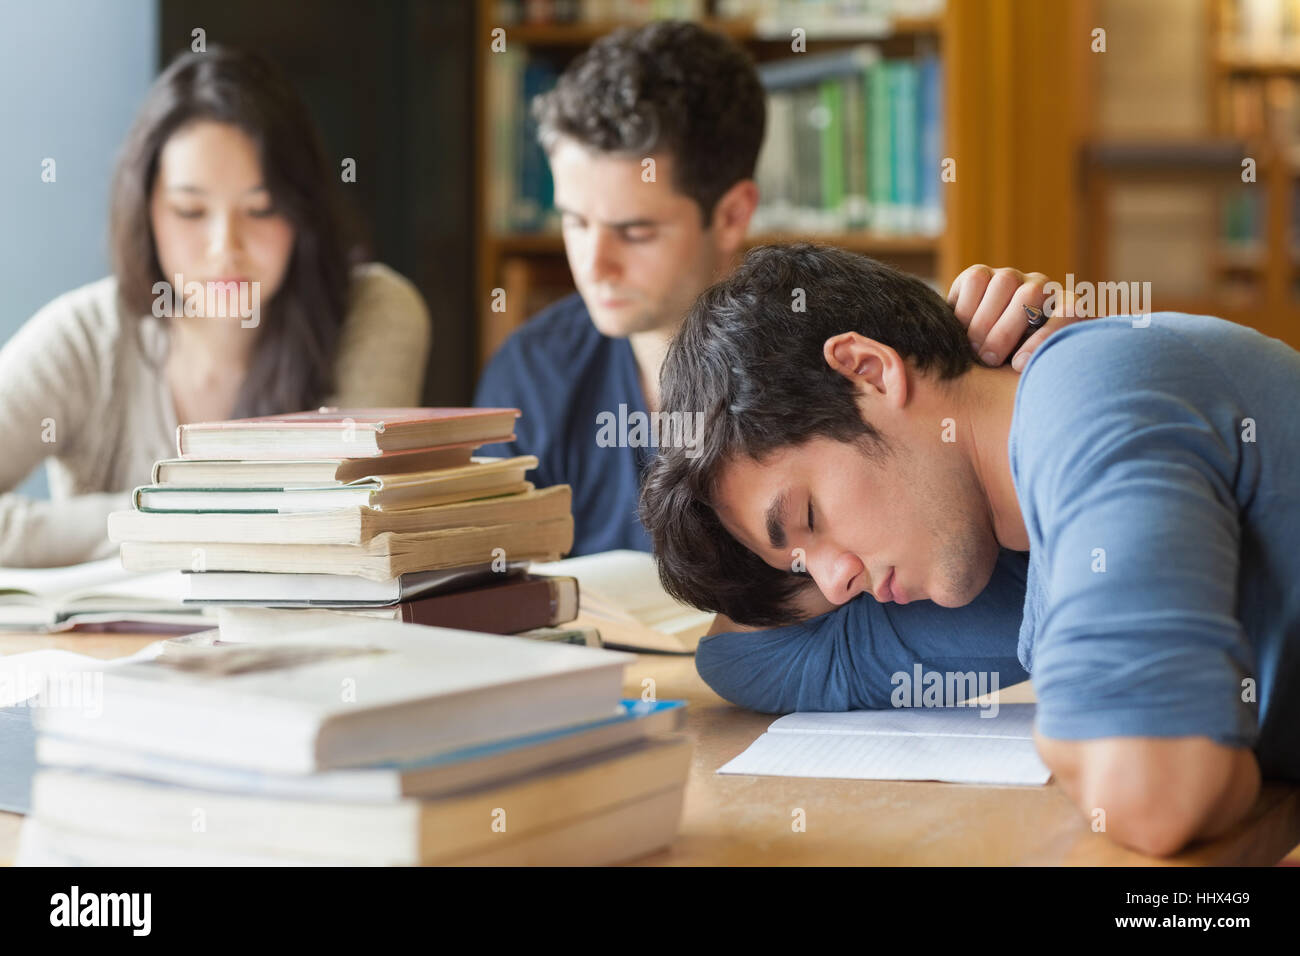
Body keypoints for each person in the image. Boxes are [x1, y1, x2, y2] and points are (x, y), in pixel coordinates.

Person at [639, 242, 1300, 857]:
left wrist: (1093, 728)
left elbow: (1157, 794)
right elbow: (742, 658)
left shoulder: (1088, 393)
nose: (836, 586)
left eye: (807, 516)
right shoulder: (999, 555)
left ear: (867, 373)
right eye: (799, 566)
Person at [473, 20, 1069, 555]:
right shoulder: (531, 373)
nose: (593, 264)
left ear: (732, 214)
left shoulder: (846, 341)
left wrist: (1044, 360)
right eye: (574, 221)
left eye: (635, 230)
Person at [0, 48, 432, 567]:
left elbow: (349, 521)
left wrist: (152, 522)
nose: (226, 247)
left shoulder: (375, 311)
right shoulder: (83, 338)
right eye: (191, 211)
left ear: (301, 210)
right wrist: (162, 516)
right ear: (146, 212)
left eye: (261, 209)